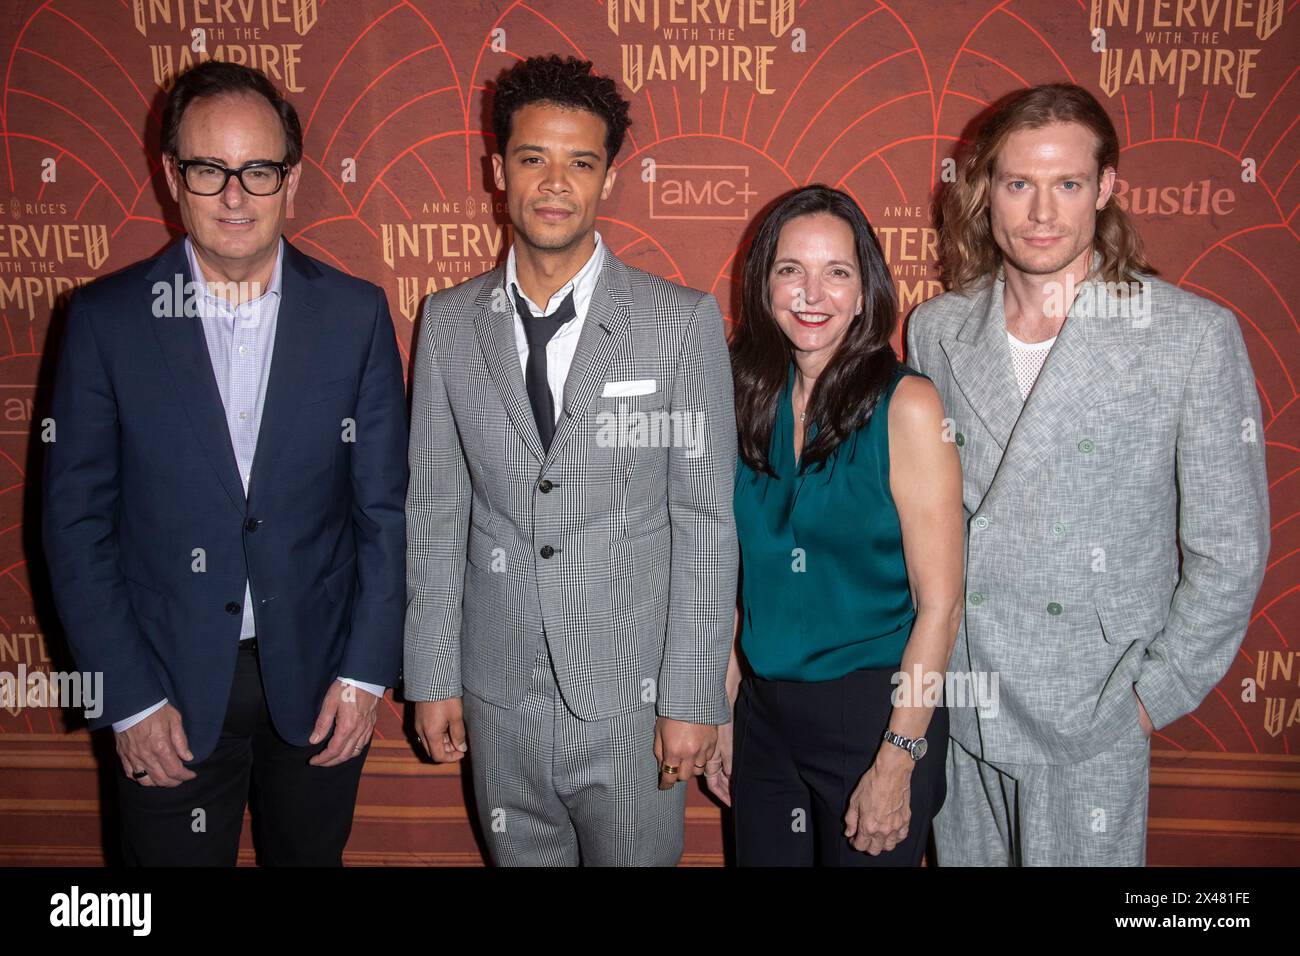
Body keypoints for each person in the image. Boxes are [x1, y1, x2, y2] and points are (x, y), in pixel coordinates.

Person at [42, 61, 408, 866]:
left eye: (259, 170)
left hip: (319, 690)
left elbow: (385, 513)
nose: (235, 195)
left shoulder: (355, 316)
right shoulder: (106, 322)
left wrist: (366, 674)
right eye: (210, 170)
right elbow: (74, 526)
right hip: (162, 689)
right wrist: (128, 700)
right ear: (173, 177)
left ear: (293, 178)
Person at [907, 83, 1270, 866]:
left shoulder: (1190, 336)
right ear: (985, 192)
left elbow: (1230, 545)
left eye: (1067, 184)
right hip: (962, 695)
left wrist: (1150, 698)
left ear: (1105, 188)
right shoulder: (936, 330)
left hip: (1090, 710)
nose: (1042, 213)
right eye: (1018, 184)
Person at [403, 55, 738, 866]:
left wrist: (695, 695)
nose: (556, 183)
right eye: (533, 159)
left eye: (580, 162)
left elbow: (703, 520)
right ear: (498, 171)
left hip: (633, 701)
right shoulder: (447, 323)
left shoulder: (678, 323)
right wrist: (432, 673)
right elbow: (434, 510)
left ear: (609, 180)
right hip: (498, 695)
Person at [706, 185, 964, 866]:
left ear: (864, 289)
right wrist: (729, 712)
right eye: (790, 269)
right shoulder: (741, 399)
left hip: (873, 718)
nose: (811, 293)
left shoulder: (907, 405)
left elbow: (941, 605)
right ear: (763, 284)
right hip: (764, 720)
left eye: (837, 272)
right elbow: (734, 584)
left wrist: (899, 759)